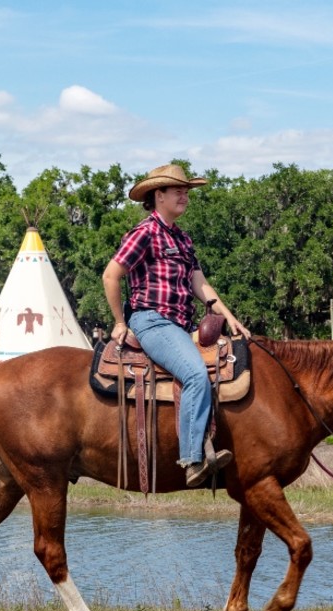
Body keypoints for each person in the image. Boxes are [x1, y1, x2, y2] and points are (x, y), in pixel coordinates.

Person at [102, 164, 251, 487]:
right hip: (152, 321)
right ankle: (192, 460)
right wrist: (118, 322)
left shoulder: (182, 238)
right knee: (196, 374)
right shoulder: (145, 233)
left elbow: (200, 284)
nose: (185, 196)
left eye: (187, 191)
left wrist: (229, 317)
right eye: (178, 191)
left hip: (180, 325)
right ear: (159, 196)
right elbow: (111, 275)